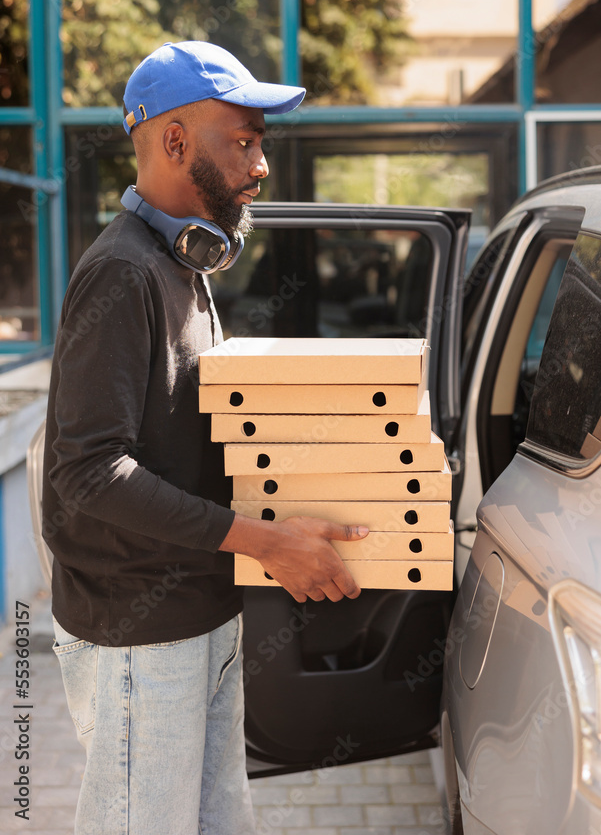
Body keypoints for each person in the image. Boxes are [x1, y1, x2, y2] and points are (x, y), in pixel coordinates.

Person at [42, 41, 369, 835]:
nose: (260, 166)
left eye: (260, 144)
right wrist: (263, 542)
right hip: (138, 640)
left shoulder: (182, 268)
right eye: (244, 141)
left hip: (201, 620)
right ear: (175, 141)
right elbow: (87, 471)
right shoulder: (123, 275)